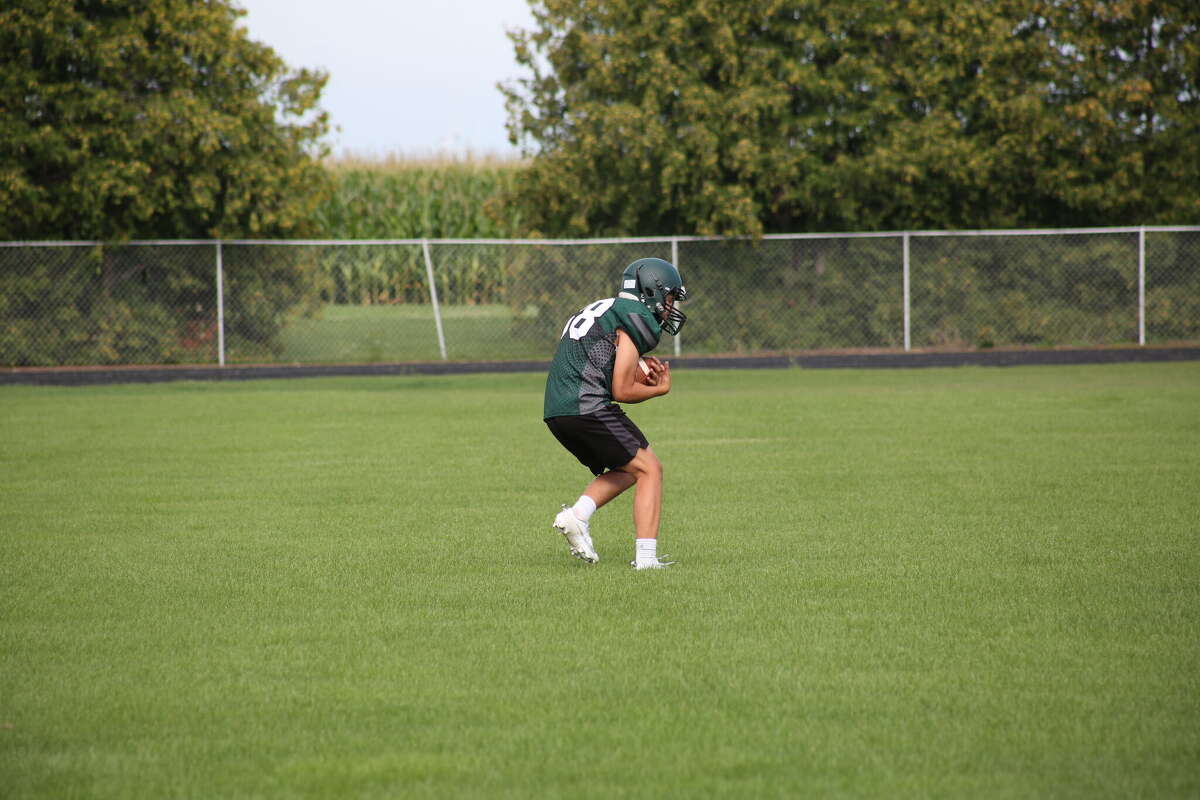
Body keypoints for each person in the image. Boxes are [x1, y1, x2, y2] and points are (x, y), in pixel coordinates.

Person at [543, 257, 689, 569]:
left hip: (559, 411)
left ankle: (577, 516)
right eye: (668, 297)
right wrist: (658, 389)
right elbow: (622, 389)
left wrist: (639, 372)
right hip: (587, 406)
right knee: (650, 469)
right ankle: (647, 560)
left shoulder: (609, 308)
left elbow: (599, 361)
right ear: (650, 290)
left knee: (632, 469)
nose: (669, 305)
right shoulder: (636, 316)